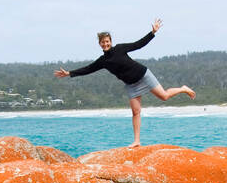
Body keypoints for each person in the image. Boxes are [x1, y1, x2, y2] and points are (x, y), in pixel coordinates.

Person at [54, 18, 194, 147]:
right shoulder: (103, 61)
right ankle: (137, 141)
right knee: (135, 112)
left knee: (164, 96)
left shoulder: (120, 48)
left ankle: (183, 88)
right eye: (103, 42)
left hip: (143, 75)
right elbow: (88, 69)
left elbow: (138, 44)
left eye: (107, 41)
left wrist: (152, 32)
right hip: (131, 85)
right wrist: (70, 73)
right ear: (100, 44)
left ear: (111, 41)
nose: (106, 43)